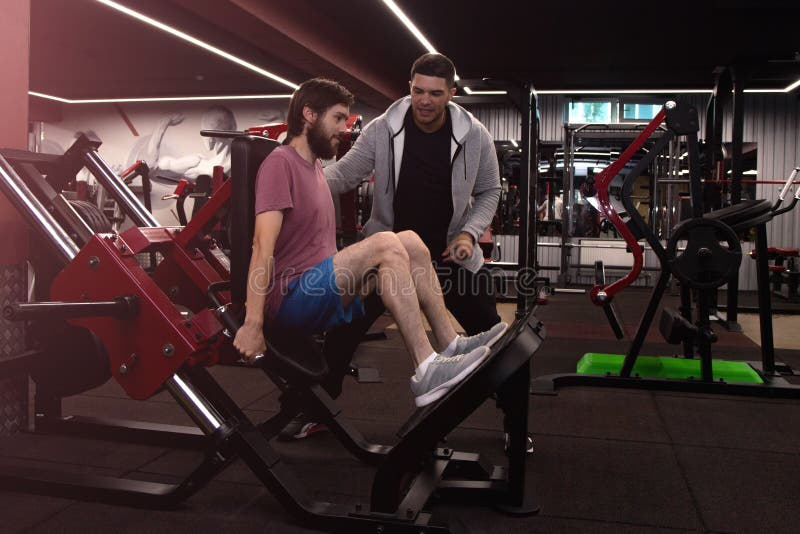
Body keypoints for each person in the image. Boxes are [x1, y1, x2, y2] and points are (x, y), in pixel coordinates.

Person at [232, 78, 507, 411]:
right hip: (292, 297)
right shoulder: (280, 163)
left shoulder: (315, 168)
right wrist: (252, 323)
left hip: (319, 290)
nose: (343, 129)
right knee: (386, 242)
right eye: (337, 118)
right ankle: (426, 368)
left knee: (411, 243)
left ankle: (448, 345)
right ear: (309, 115)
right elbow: (262, 246)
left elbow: (343, 177)